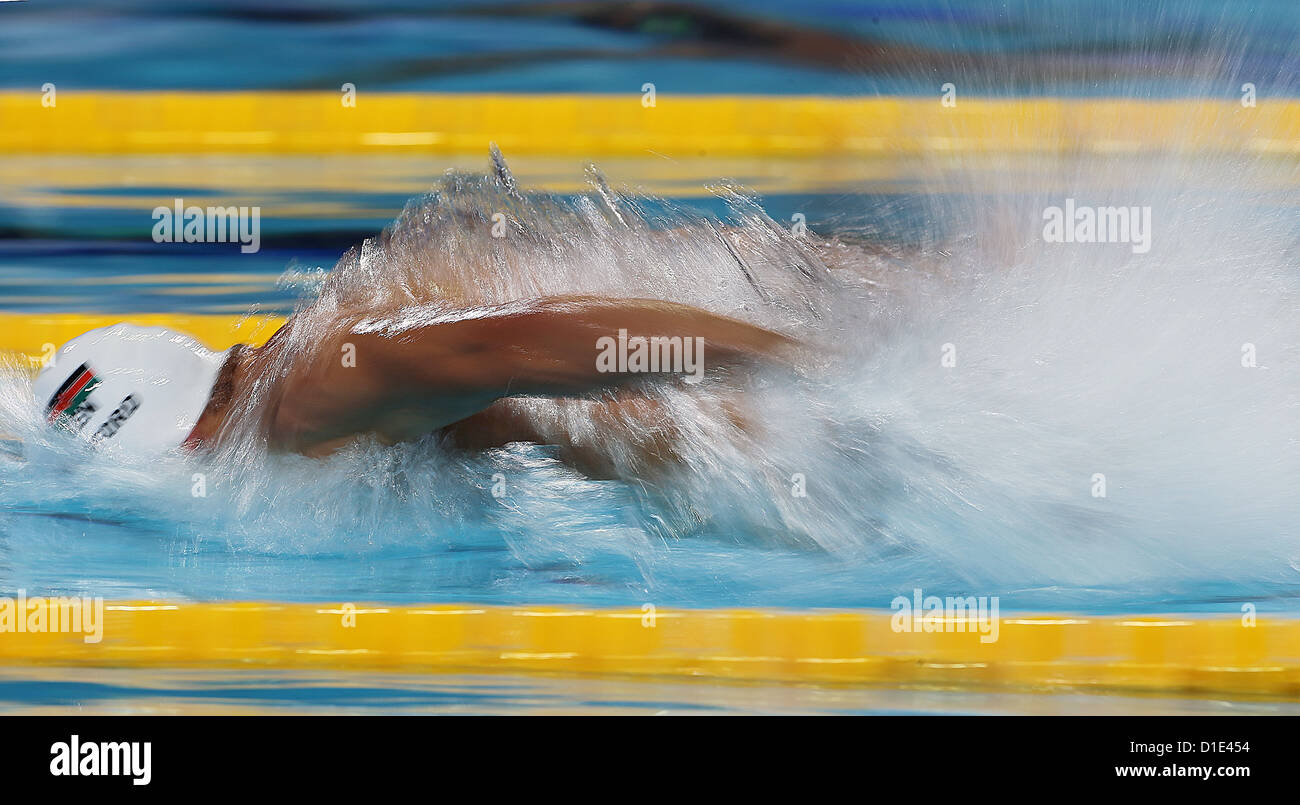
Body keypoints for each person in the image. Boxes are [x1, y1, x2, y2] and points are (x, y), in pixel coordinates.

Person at [32, 296, 793, 475]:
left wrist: (785, 359)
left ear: (192, 434)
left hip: (762, 437)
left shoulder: (308, 397)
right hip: (725, 442)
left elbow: (508, 341)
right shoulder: (281, 391)